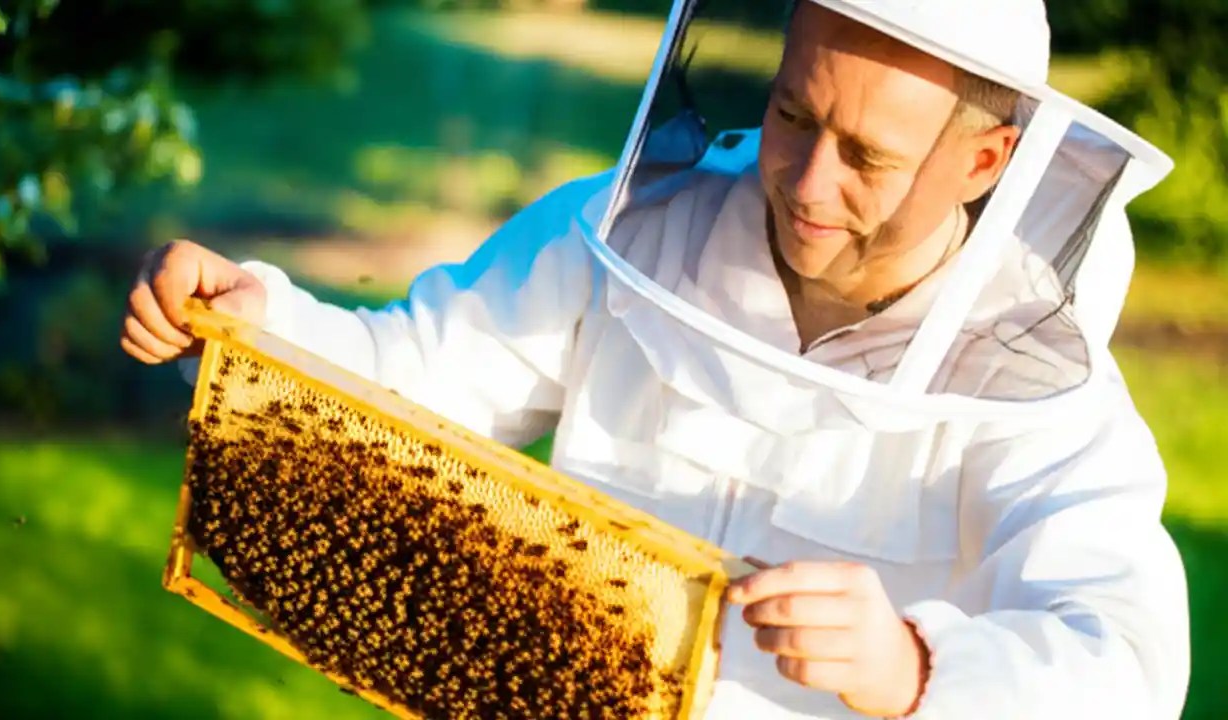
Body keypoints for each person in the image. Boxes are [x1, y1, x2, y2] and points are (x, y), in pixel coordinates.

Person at [120, 0, 1191, 717]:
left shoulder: (1037, 396)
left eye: (867, 155)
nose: (808, 185)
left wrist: (916, 666)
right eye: (792, 115)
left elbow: (1126, 662)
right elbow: (417, 378)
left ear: (984, 161)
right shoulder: (626, 236)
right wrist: (260, 321)